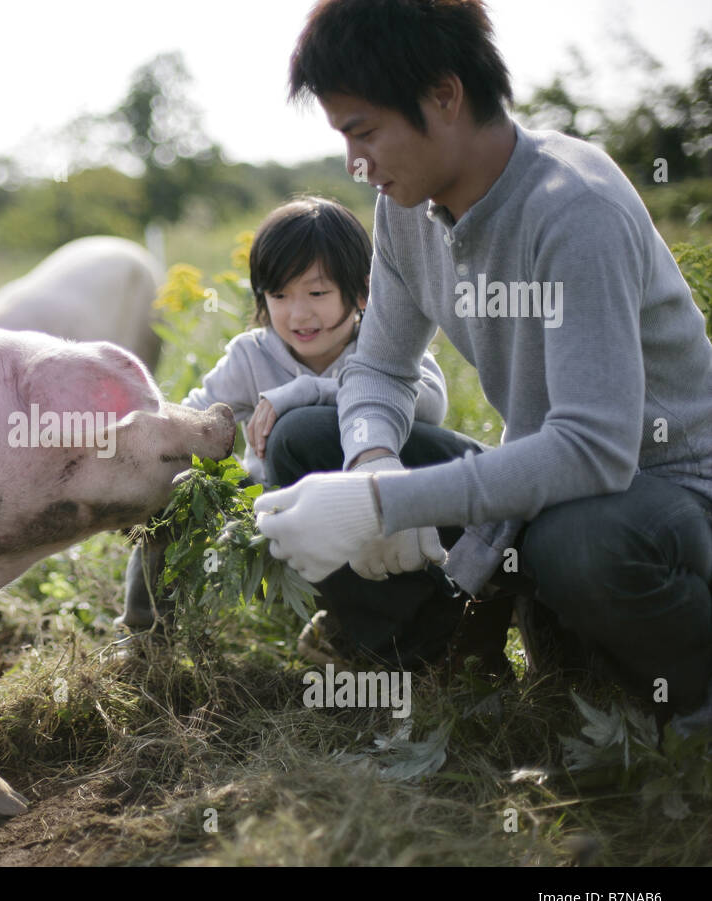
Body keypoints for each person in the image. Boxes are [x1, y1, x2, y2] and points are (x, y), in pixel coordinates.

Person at [257, 0, 712, 734]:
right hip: (547, 485)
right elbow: (377, 368)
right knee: (307, 440)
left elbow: (595, 451)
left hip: (664, 497)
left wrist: (383, 506)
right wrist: (372, 464)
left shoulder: (574, 210)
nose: (355, 164)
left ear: (444, 94)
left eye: (363, 132)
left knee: (580, 542)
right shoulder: (406, 208)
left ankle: (693, 698)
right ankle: (442, 662)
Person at [120, 196, 483, 668]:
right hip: (275, 509)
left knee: (303, 433)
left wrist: (306, 391)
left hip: (374, 509)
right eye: (279, 296)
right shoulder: (253, 355)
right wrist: (142, 450)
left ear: (362, 292)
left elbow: (431, 404)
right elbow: (197, 417)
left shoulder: (384, 339)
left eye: (316, 294)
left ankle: (403, 629)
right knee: (178, 489)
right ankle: (145, 639)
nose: (297, 315)